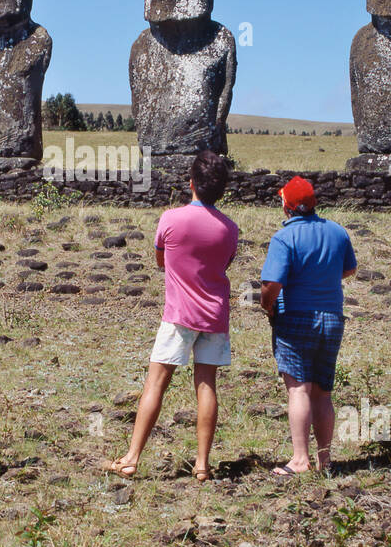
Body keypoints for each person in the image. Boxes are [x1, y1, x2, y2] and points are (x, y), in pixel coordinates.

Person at [105, 150, 238, 482]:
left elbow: (160, 261)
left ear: (190, 183)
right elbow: (223, 266)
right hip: (215, 315)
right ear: (221, 189)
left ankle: (132, 457)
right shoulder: (230, 229)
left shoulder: (170, 219)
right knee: (206, 386)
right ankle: (203, 465)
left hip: (179, 313)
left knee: (156, 383)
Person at [260, 175, 357, 476]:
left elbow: (272, 283)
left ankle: (299, 460)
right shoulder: (337, 232)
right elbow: (350, 268)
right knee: (323, 392)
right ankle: (324, 460)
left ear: (286, 206)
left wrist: (268, 306)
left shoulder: (284, 238)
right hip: (332, 318)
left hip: (295, 317)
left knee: (298, 390)